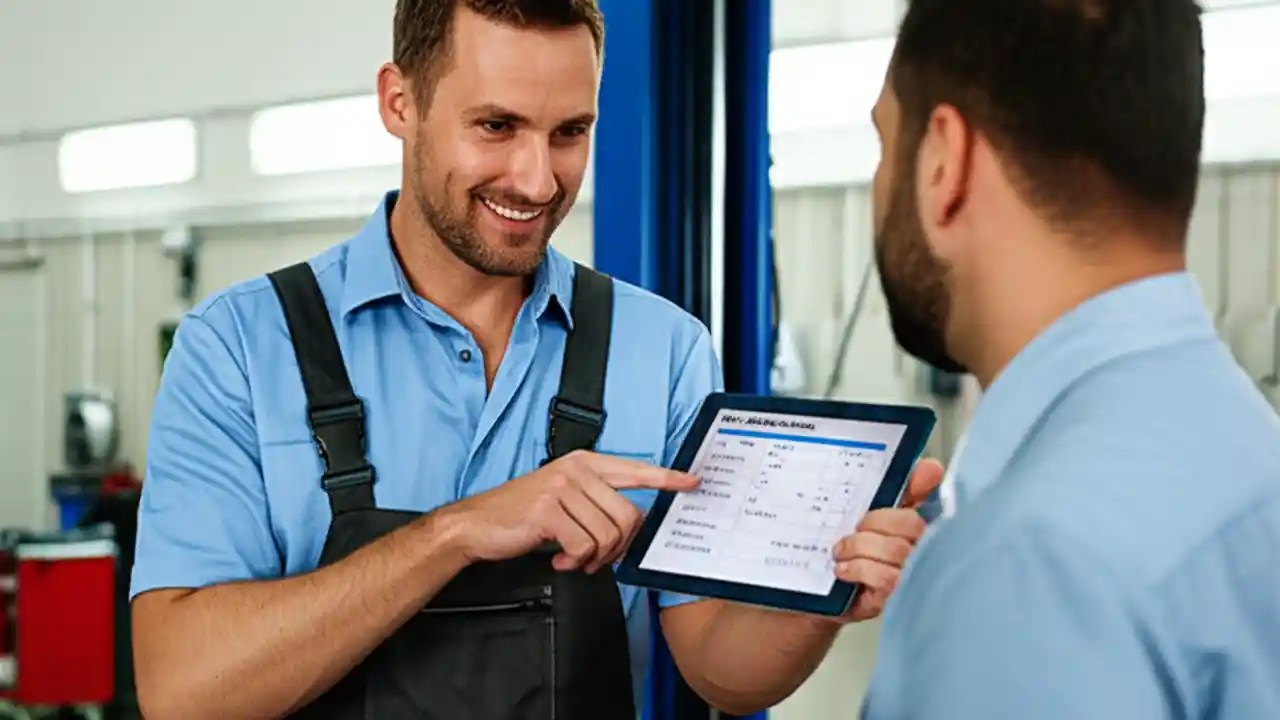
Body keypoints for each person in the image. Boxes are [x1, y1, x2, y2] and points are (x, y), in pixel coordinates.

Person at [128, 1, 944, 718]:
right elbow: (184, 691)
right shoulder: (237, 348)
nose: (537, 178)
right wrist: (457, 532)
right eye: (496, 126)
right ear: (398, 101)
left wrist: (820, 597)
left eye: (570, 133)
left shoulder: (661, 350)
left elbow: (716, 668)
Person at [860, 1, 1280, 718]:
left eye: (884, 145)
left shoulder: (1022, 569)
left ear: (942, 164)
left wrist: (968, 621)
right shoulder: (1245, 444)